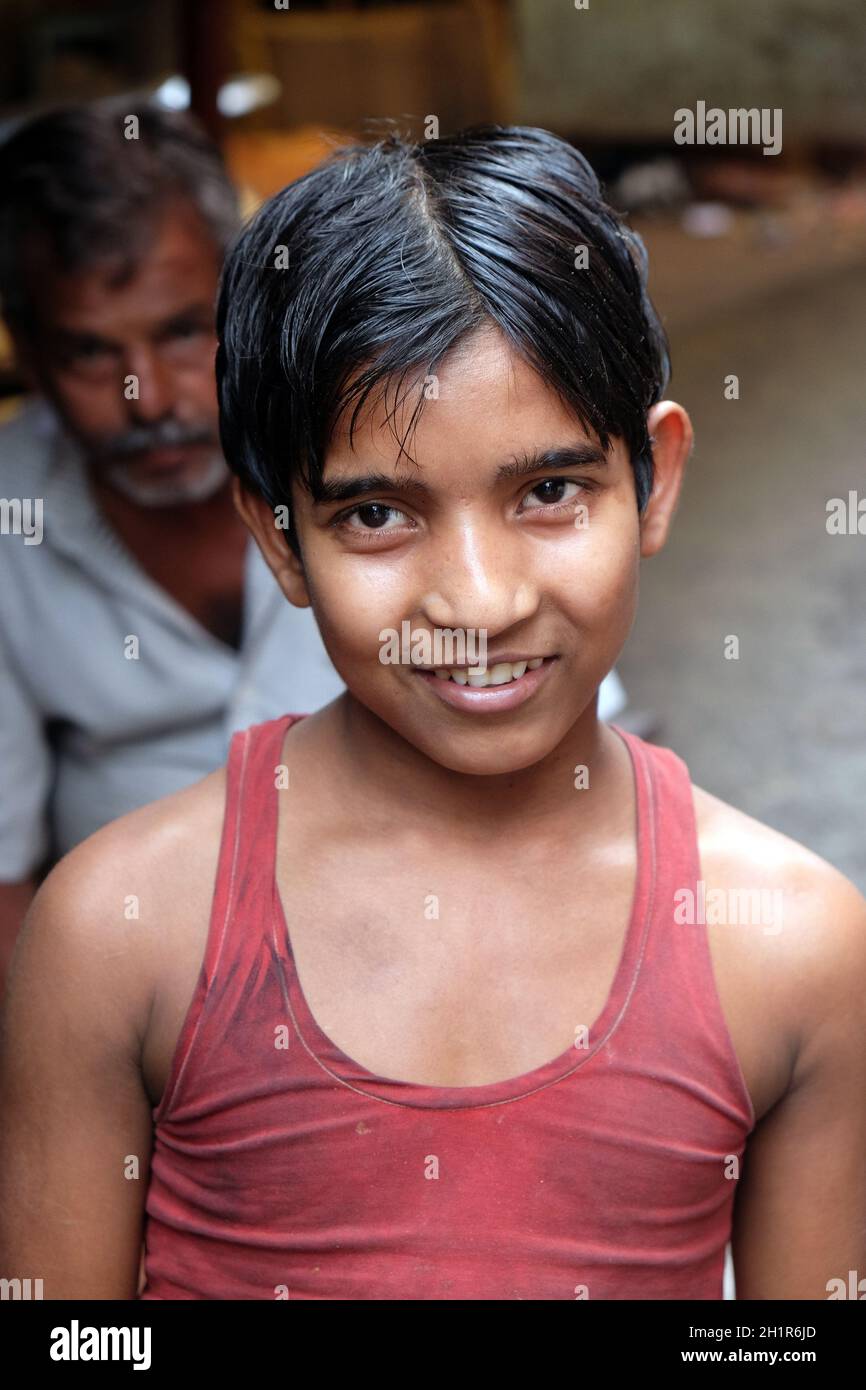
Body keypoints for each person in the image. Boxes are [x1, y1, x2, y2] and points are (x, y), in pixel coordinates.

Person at [2, 125, 864, 1301]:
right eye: (375, 516)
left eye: (549, 490)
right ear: (280, 539)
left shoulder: (791, 946)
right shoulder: (114, 933)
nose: (478, 599)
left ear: (653, 481)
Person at [0, 101, 344, 985]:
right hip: (138, 985)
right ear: (28, 359)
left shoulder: (365, 443)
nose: (147, 399)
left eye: (184, 332)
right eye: (88, 354)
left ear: (243, 300)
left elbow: (576, 726)